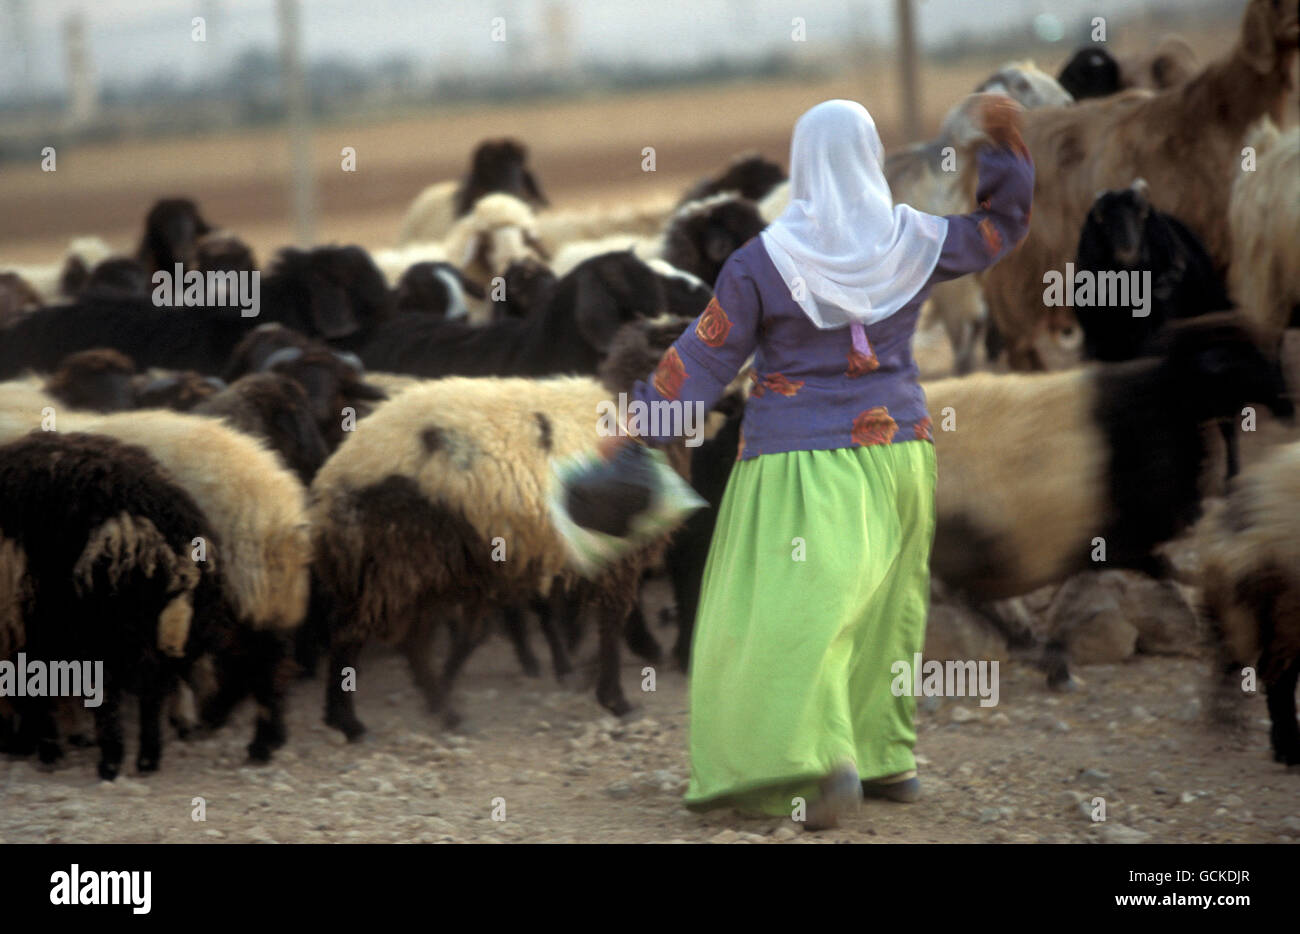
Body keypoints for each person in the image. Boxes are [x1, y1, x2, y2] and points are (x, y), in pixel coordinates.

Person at [619, 96, 1034, 830]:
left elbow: (706, 358)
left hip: (798, 465)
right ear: (871, 157)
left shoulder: (762, 263)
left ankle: (811, 765)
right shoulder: (918, 240)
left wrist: (638, 424)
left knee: (789, 616)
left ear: (803, 164)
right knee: (885, 611)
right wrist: (999, 144)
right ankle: (885, 759)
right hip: (901, 457)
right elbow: (1004, 226)